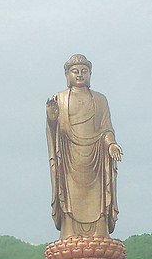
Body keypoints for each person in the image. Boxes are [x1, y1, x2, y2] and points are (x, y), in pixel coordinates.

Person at [46, 54, 122, 240]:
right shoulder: (60, 98)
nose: (80, 75)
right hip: (68, 157)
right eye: (75, 71)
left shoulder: (100, 100)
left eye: (84, 71)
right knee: (69, 195)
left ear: (90, 74)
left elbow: (106, 129)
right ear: (67, 75)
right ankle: (69, 232)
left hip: (96, 157)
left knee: (99, 196)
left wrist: (111, 144)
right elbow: (53, 130)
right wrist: (52, 118)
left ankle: (100, 232)